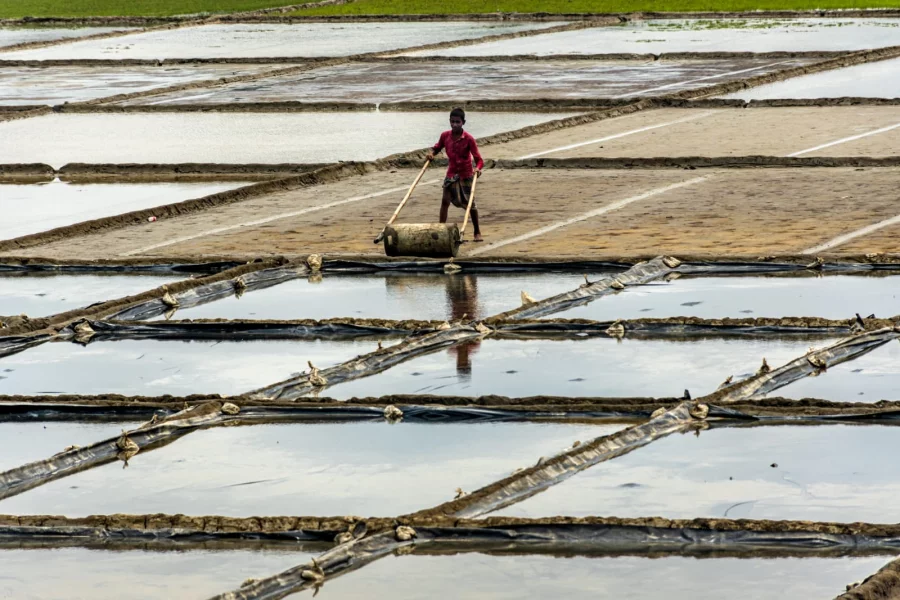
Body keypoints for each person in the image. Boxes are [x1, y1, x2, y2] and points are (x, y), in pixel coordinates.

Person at [426, 107, 485, 242]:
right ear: (449, 121)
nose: (455, 124)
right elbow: (437, 147)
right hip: (451, 173)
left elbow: (479, 160)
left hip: (466, 174)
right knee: (445, 201)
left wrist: (478, 169)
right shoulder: (445, 136)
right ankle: (440, 229)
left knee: (470, 205)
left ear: (463, 122)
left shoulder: (469, 139)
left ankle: (477, 231)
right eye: (452, 122)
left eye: (458, 122)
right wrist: (431, 154)